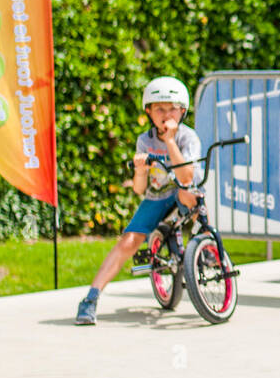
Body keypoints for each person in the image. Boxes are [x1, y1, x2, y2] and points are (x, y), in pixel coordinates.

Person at [74, 77, 203, 324]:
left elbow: (186, 177)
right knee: (128, 241)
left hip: (182, 191)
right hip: (157, 196)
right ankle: (91, 297)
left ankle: (202, 247)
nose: (166, 114)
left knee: (191, 196)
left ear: (183, 110)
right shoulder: (145, 140)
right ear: (149, 111)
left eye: (172, 108)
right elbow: (139, 189)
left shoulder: (188, 138)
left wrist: (169, 141)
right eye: (159, 109)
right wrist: (140, 171)